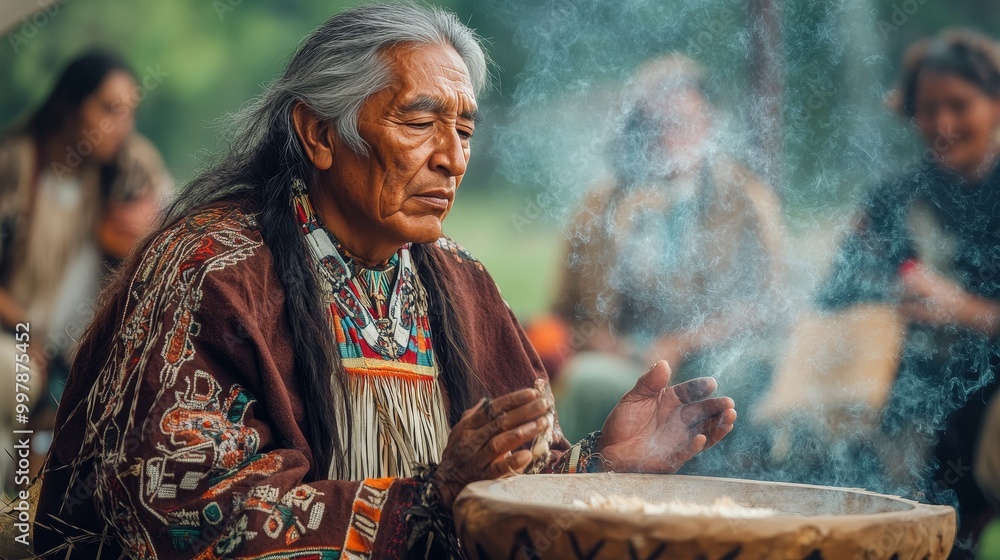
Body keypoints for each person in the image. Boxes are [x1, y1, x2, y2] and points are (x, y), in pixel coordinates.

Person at [33, 5, 737, 558]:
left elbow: (517, 481)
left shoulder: (463, 284)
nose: (451, 158)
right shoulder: (210, 275)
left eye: (464, 129)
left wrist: (596, 465)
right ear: (317, 134)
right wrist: (430, 500)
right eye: (420, 120)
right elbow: (188, 526)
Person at [815, 29, 1000, 558]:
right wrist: (888, 296)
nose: (943, 124)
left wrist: (967, 310)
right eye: (928, 108)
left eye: (959, 106)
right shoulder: (894, 196)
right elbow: (833, 293)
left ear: (996, 104)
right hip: (904, 382)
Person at [552, 55, 784, 442]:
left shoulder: (744, 201)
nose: (666, 137)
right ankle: (574, 492)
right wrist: (602, 340)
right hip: (631, 367)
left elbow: (767, 305)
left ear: (708, 124)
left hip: (715, 362)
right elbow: (565, 310)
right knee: (585, 379)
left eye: (681, 123)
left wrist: (680, 342)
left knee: (727, 386)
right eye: (653, 125)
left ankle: (717, 495)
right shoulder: (603, 205)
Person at [0, 50, 169, 495]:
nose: (123, 125)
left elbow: (171, 215)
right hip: (15, 341)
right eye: (109, 109)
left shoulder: (124, 168)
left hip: (75, 355)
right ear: (70, 106)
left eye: (130, 112)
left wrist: (141, 231)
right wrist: (23, 331)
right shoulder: (15, 164)